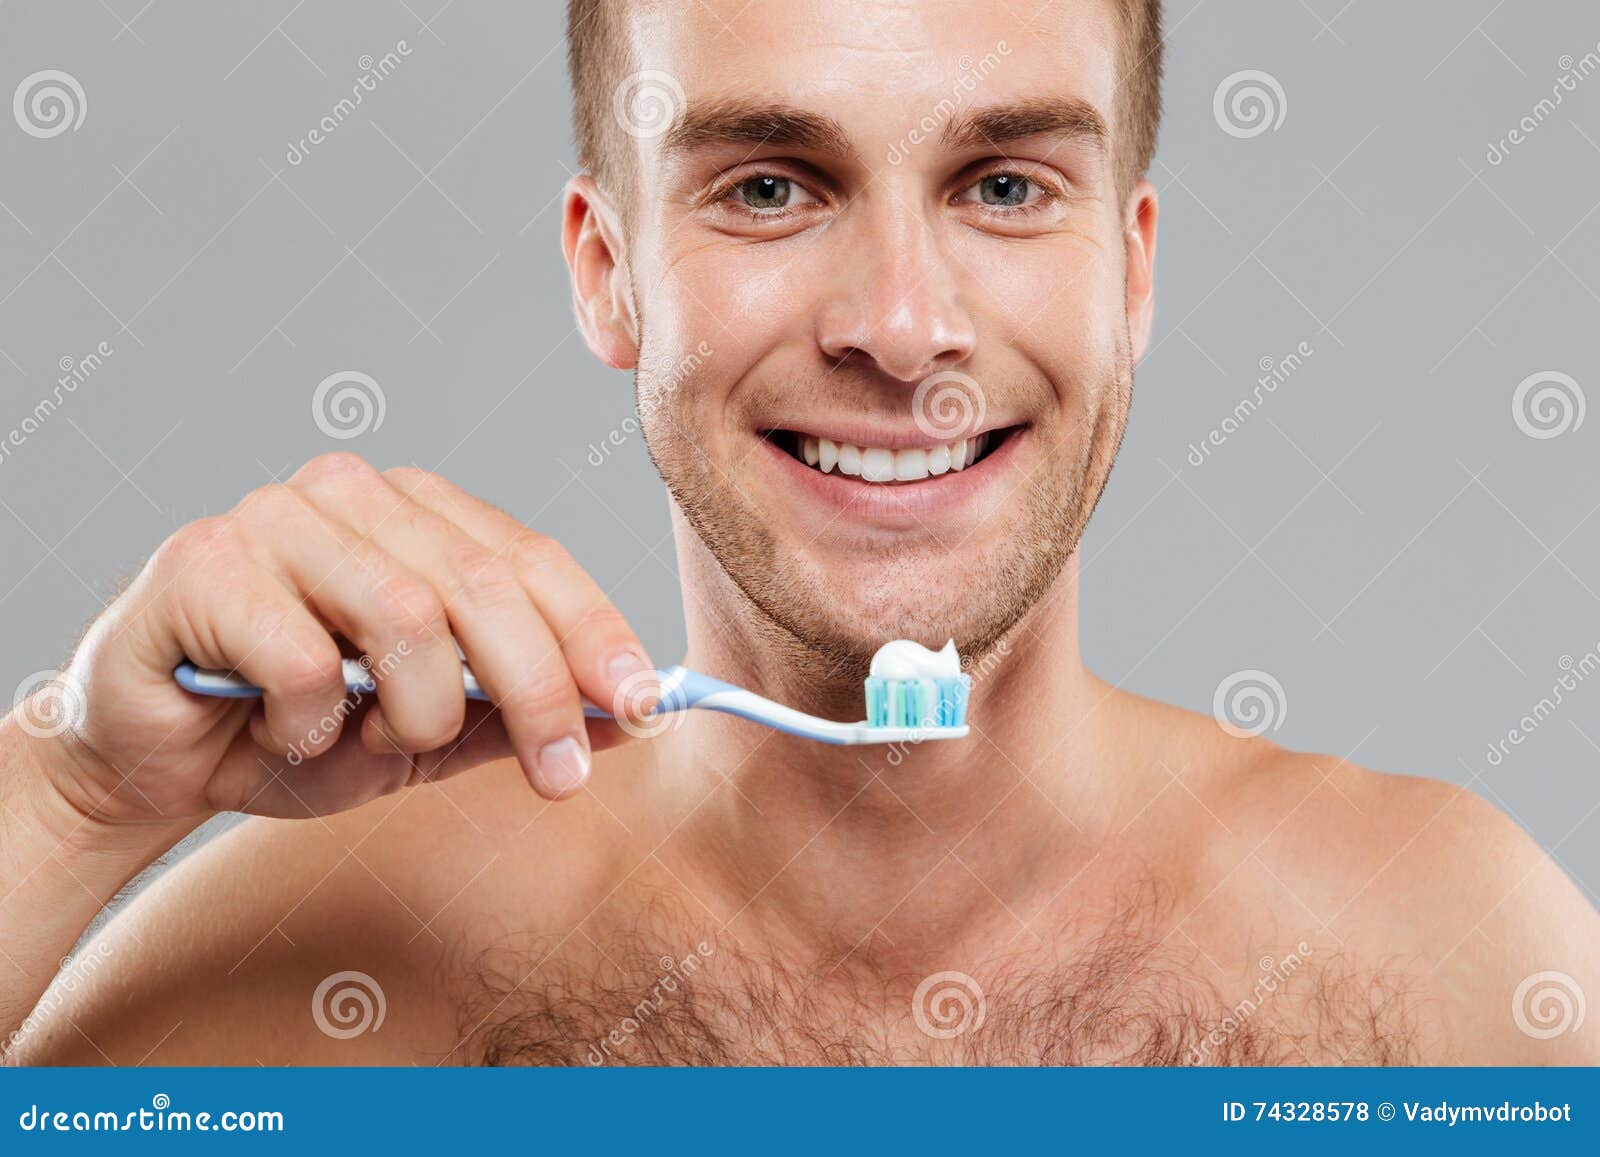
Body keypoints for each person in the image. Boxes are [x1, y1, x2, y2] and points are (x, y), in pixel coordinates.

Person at [3, 0, 1596, 1066]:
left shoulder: (1444, 950)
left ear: (1132, 275)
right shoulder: (325, 972)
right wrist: (69, 796)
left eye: (1005, 186)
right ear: (608, 270)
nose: (903, 330)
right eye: (770, 187)